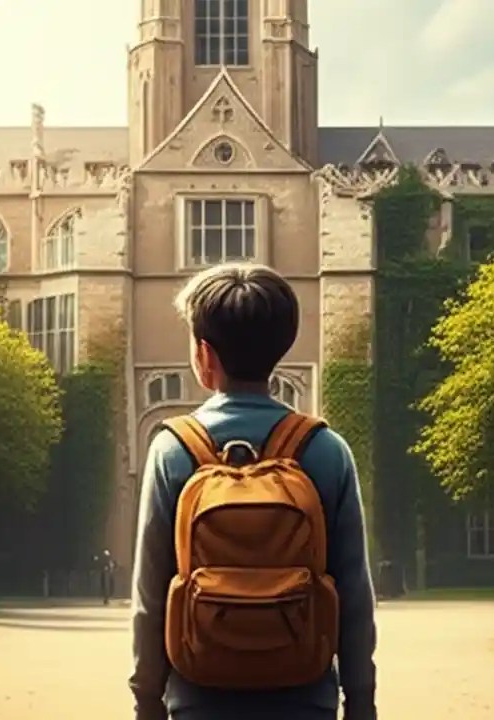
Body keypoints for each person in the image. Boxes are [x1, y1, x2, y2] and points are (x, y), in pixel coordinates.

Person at [129, 263, 378, 720]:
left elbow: (150, 592)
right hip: (305, 699)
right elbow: (355, 593)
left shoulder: (173, 449)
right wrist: (361, 702)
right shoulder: (325, 450)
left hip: (199, 696)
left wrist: (147, 700)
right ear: (281, 347)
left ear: (205, 355)